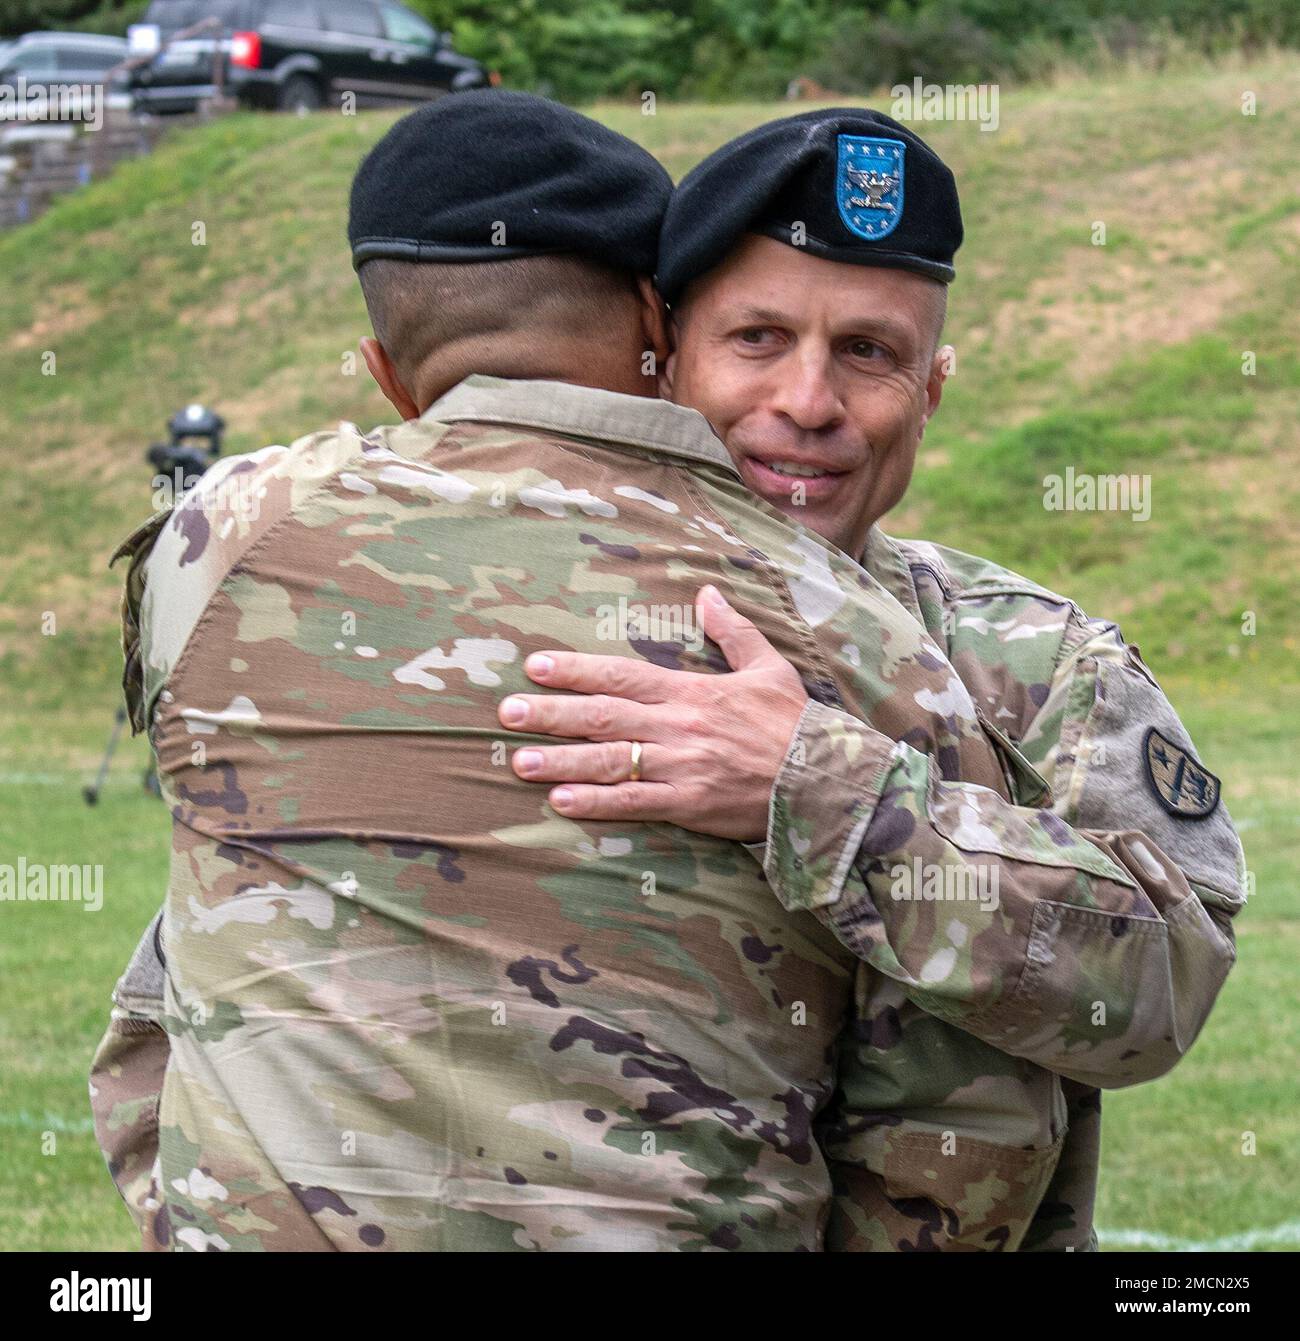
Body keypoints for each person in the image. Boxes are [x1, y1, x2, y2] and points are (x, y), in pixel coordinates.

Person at [89, 91, 1036, 1251]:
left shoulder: (221, 538)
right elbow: (959, 1080)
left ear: (385, 373)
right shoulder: (848, 623)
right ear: (658, 321)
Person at [496, 109, 1248, 1250]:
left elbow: (1154, 992)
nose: (808, 401)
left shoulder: (1036, 666)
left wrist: (824, 793)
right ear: (666, 355)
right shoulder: (507, 621)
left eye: (868, 352)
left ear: (931, 389)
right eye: (756, 338)